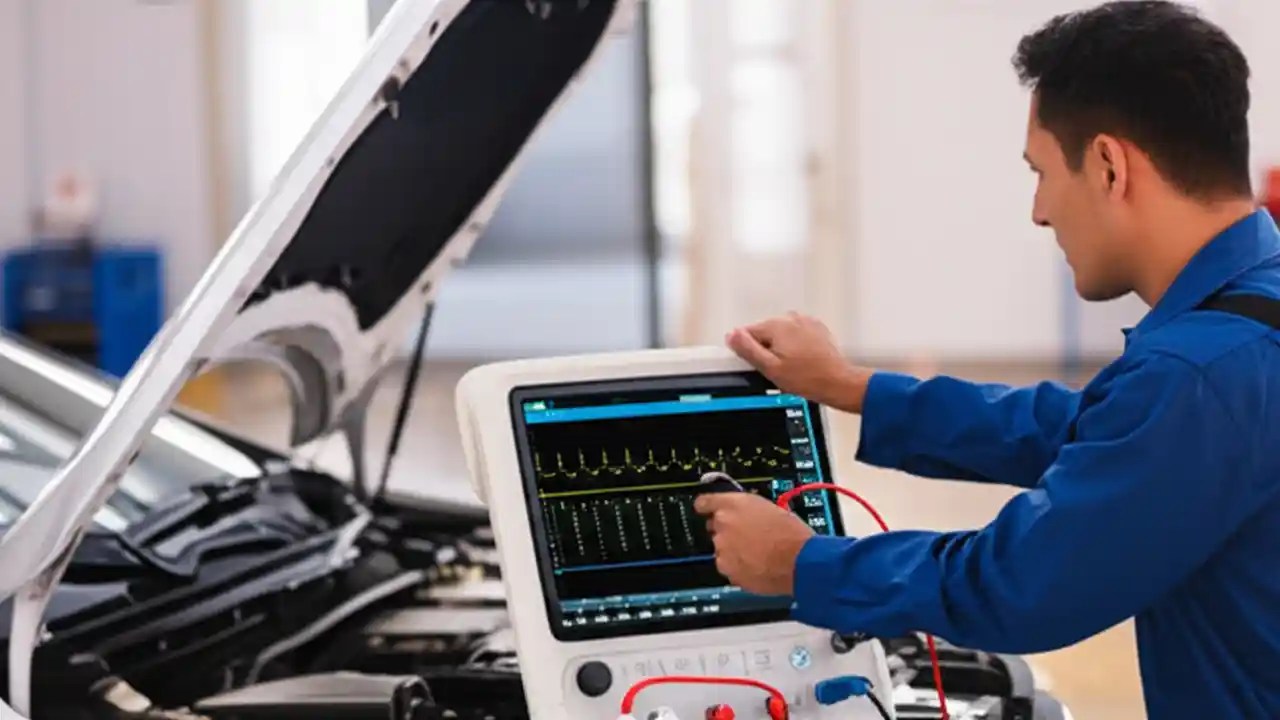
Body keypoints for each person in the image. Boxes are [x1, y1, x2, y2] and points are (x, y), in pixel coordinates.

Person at [693, 2, 1280, 718]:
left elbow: (1023, 584)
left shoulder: (1198, 377)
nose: (1038, 211)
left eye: (1039, 173)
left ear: (1106, 165)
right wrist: (853, 387)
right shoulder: (1246, 316)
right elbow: (1093, 430)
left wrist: (799, 562)